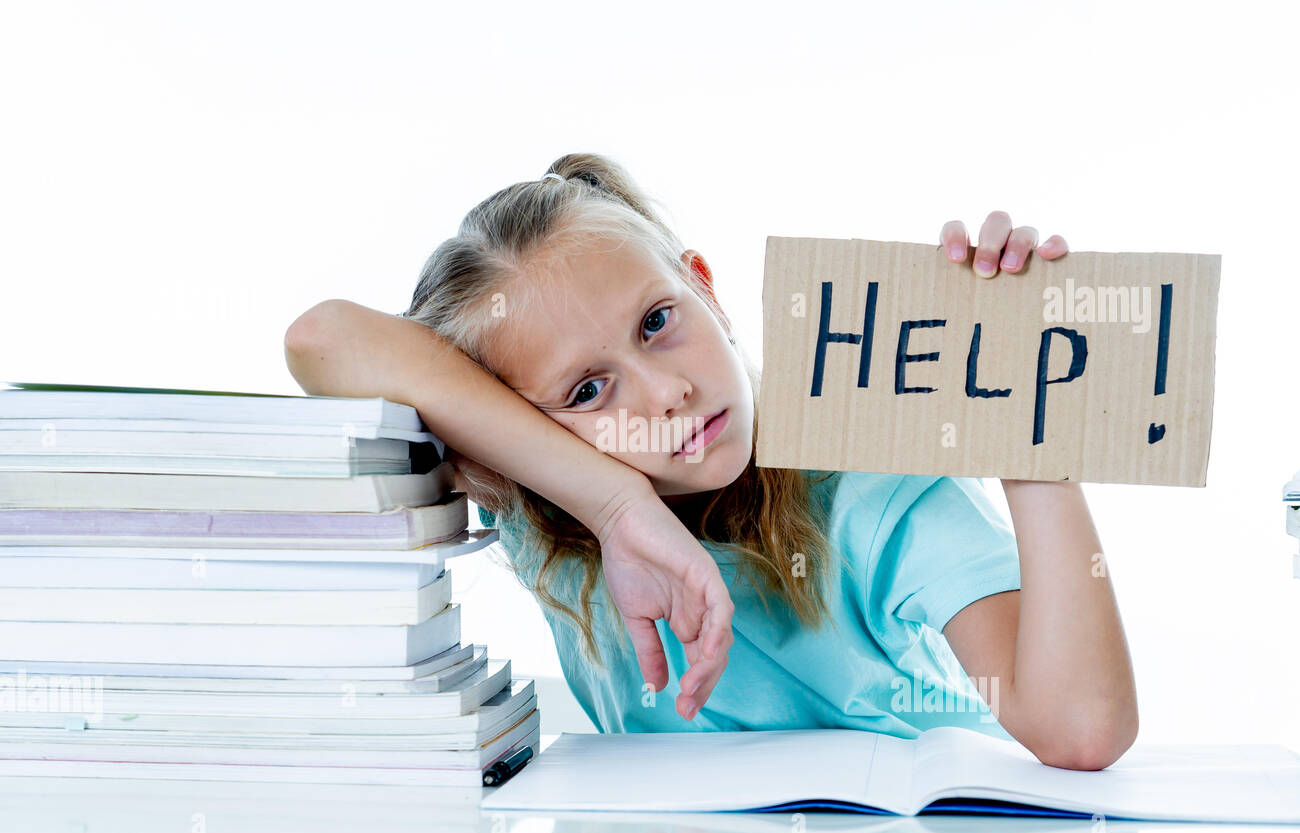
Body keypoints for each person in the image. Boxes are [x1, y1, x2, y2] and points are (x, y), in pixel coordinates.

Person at [285, 153, 1138, 771]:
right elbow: (320, 340)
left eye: (658, 322)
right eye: (587, 390)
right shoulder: (546, 514)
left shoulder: (873, 486)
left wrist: (1035, 435)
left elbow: (1081, 730)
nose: (665, 394)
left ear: (708, 290)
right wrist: (615, 505)